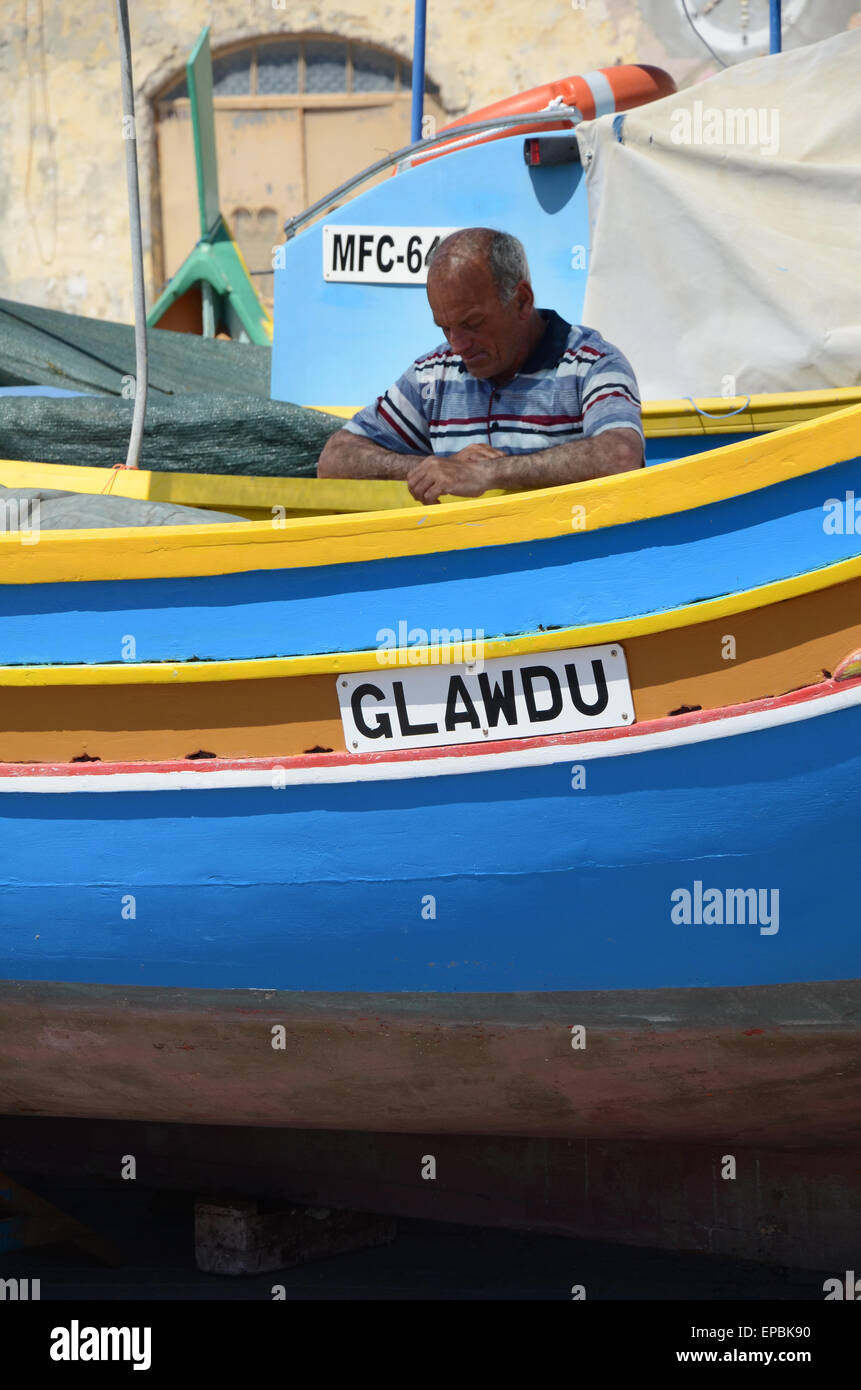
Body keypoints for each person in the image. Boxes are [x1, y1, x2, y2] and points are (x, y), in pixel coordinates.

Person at [317, 227, 644, 505]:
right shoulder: (434, 375)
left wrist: (487, 473)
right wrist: (434, 469)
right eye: (445, 328)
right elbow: (335, 459)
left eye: (472, 323)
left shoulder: (592, 364)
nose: (457, 346)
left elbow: (620, 455)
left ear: (521, 301)